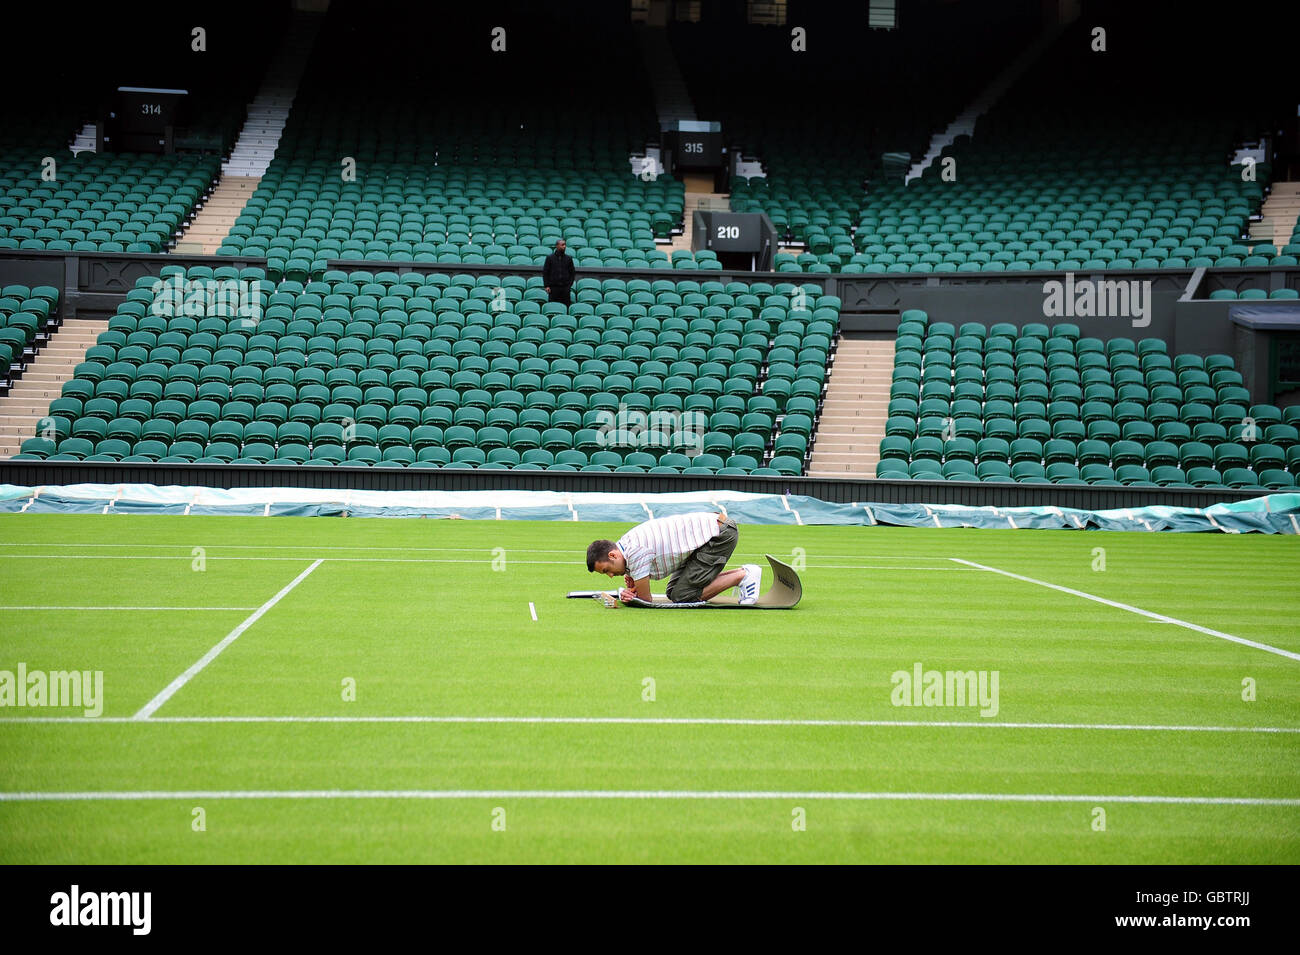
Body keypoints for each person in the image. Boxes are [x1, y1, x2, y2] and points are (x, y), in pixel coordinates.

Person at [586, 510, 762, 606]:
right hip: (710, 531)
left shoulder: (633, 552)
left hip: (719, 535)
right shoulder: (625, 545)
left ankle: (744, 575)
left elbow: (646, 600)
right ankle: (741, 575)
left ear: (613, 555)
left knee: (683, 595)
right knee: (673, 592)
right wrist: (632, 585)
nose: (610, 576)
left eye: (607, 570)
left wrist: (632, 598)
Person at [542, 237, 575, 305]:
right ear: (557, 246)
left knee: (566, 307)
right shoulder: (550, 258)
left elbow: (572, 273)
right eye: (562, 245)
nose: (564, 246)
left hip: (565, 288)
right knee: (553, 306)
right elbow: (545, 272)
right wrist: (546, 286)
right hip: (553, 288)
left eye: (565, 245)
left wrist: (569, 285)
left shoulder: (569, 258)